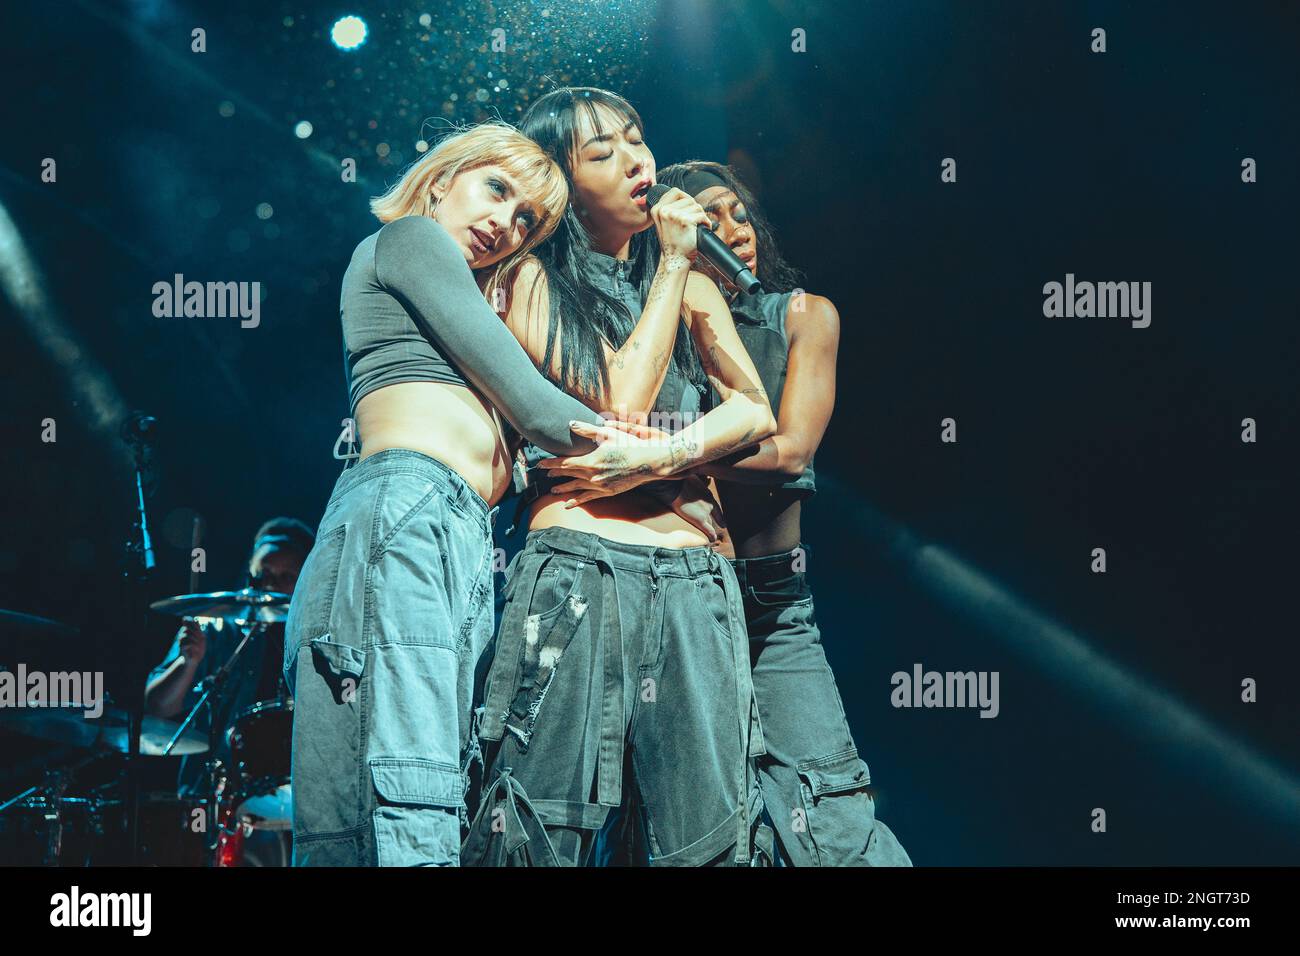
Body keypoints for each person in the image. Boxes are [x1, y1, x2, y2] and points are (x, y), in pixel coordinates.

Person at [284, 121, 654, 866]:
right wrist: (675, 448)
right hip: (405, 511)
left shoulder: (462, 299)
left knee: (432, 785)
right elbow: (541, 408)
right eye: (496, 189)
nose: (503, 224)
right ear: (444, 176)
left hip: (449, 530)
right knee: (402, 791)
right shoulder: (412, 239)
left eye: (526, 220)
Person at [463, 87, 778, 867]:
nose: (637, 161)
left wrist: (658, 456)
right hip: (583, 570)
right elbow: (615, 400)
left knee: (707, 834)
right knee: (537, 821)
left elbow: (754, 411)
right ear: (565, 185)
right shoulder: (530, 279)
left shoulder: (694, 283)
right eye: (602, 152)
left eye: (637, 141)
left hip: (697, 574)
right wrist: (672, 262)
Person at [656, 160, 912, 865]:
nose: (733, 229)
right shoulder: (661, 323)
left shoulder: (804, 314)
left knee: (832, 817)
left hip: (772, 604)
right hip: (677, 597)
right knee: (700, 829)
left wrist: (654, 453)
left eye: (740, 213)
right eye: (711, 216)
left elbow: (792, 450)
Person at [145, 516, 314, 866]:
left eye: (286, 578)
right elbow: (158, 707)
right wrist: (188, 662)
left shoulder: (317, 639)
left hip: (302, 799)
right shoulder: (216, 627)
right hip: (214, 800)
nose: (271, 585)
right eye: (263, 575)